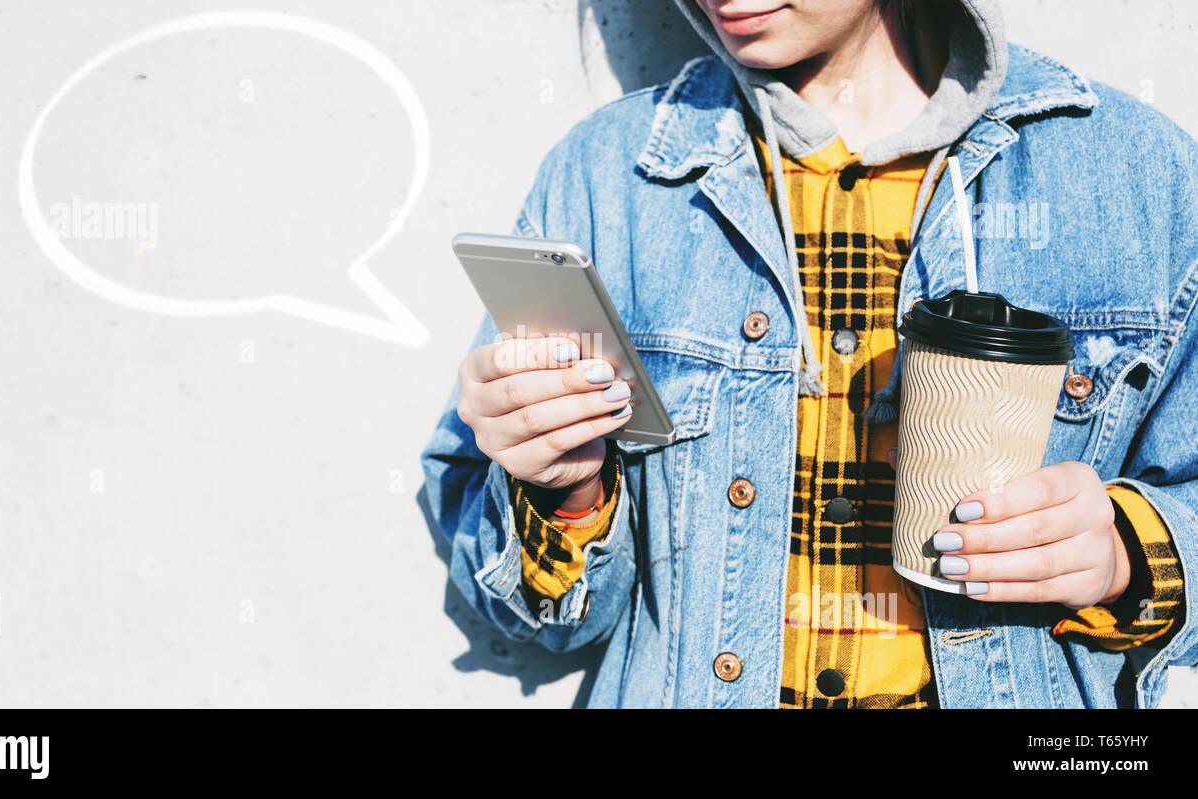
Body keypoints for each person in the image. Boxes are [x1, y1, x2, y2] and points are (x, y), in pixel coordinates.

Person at [421, 0, 1198, 708]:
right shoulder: (609, 177)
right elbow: (538, 621)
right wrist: (563, 492)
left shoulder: (1134, 174)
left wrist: (1123, 552)